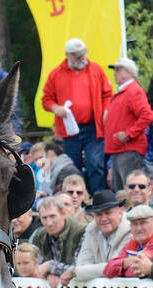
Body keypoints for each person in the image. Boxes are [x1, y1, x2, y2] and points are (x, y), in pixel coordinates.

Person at [41, 38, 113, 193]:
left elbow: (107, 94)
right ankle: (75, 202)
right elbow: (46, 99)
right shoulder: (56, 74)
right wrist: (55, 108)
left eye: (83, 54)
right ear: (68, 55)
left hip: (93, 126)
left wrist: (106, 110)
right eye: (77, 55)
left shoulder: (96, 70)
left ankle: (97, 199)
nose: (82, 58)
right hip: (68, 129)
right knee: (72, 166)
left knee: (95, 163)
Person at [104, 56, 153, 190]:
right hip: (120, 149)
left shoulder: (133, 91)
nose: (115, 73)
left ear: (129, 73)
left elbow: (147, 115)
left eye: (119, 70)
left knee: (129, 190)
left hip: (128, 149)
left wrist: (128, 134)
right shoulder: (125, 92)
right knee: (122, 192)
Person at [30, 196, 86, 288]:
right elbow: (34, 268)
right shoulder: (39, 236)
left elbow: (80, 269)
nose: (49, 223)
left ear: (63, 214)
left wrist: (50, 266)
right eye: (44, 218)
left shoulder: (81, 232)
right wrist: (48, 275)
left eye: (53, 216)